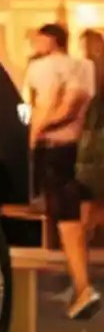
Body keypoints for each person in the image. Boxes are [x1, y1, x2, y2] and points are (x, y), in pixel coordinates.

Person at [26, 23, 99, 319]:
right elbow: (78, 103)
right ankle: (81, 284)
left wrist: (37, 131)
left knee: (67, 220)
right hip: (78, 150)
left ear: (51, 40)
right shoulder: (86, 68)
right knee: (77, 218)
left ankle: (83, 288)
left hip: (53, 147)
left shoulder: (44, 67)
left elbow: (61, 103)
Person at [77, 29, 104, 242]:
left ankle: (87, 232)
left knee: (90, 188)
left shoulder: (89, 69)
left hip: (93, 135)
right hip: (94, 134)